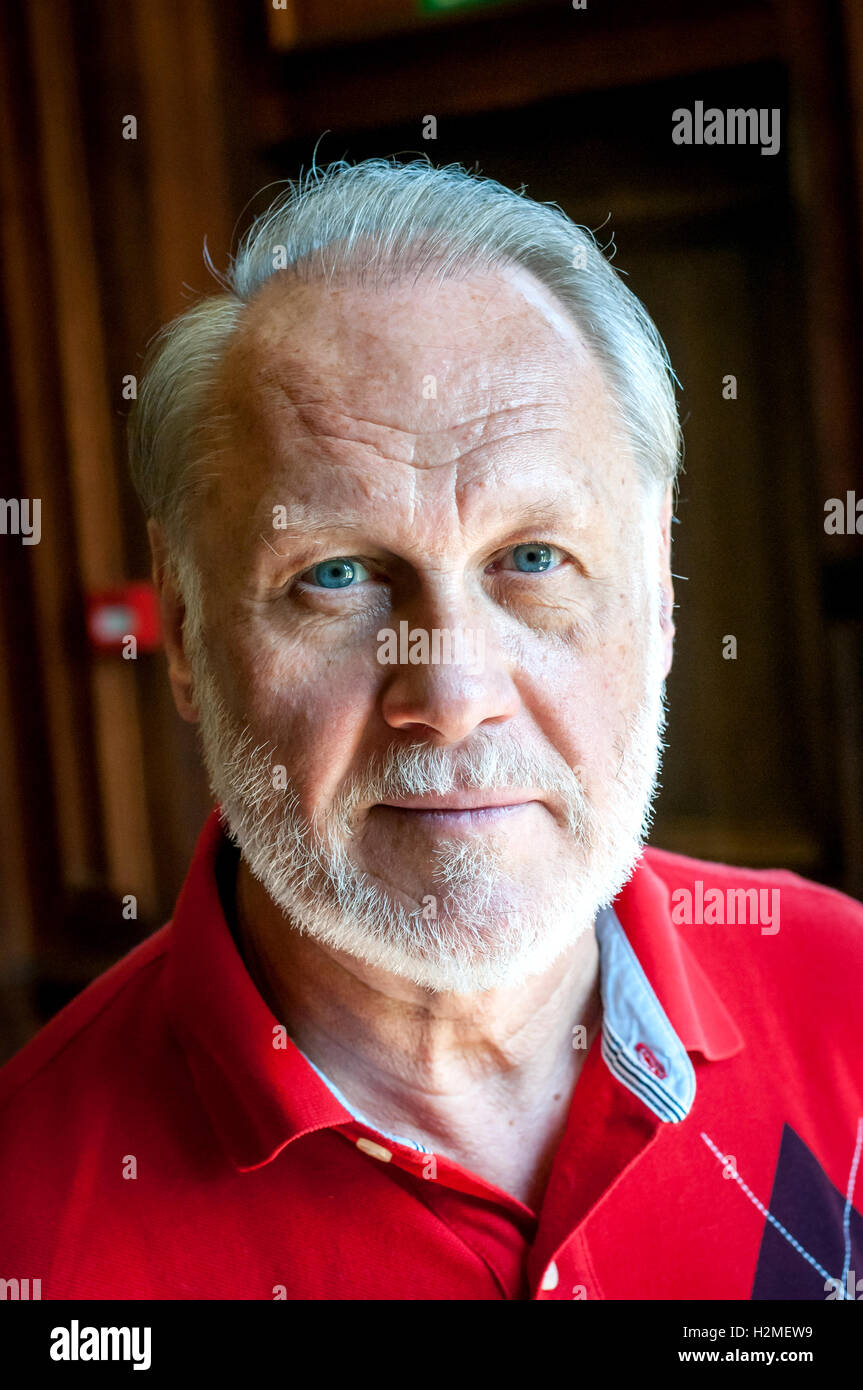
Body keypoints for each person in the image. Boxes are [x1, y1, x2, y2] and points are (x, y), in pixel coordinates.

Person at [1, 159, 861, 1301]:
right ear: (194, 621)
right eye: (338, 575)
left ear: (658, 587)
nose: (450, 693)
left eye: (531, 559)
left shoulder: (843, 994)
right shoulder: (28, 1223)